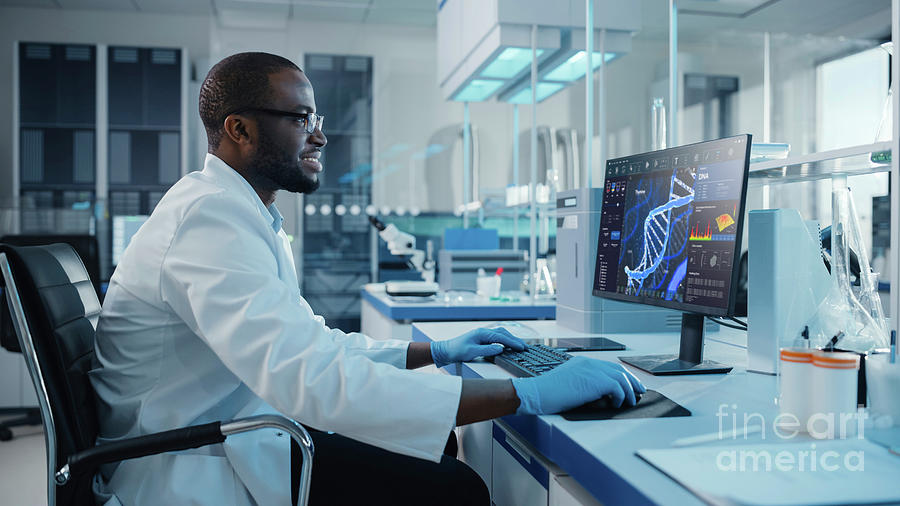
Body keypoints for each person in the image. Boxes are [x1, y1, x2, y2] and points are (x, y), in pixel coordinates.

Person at [89, 52, 645, 506]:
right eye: (301, 119)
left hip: (241, 432)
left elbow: (312, 345)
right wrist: (525, 393)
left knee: (440, 449)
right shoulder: (209, 218)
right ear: (239, 128)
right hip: (188, 464)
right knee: (455, 489)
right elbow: (309, 378)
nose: (319, 137)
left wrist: (433, 352)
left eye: (317, 120)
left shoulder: (239, 212)